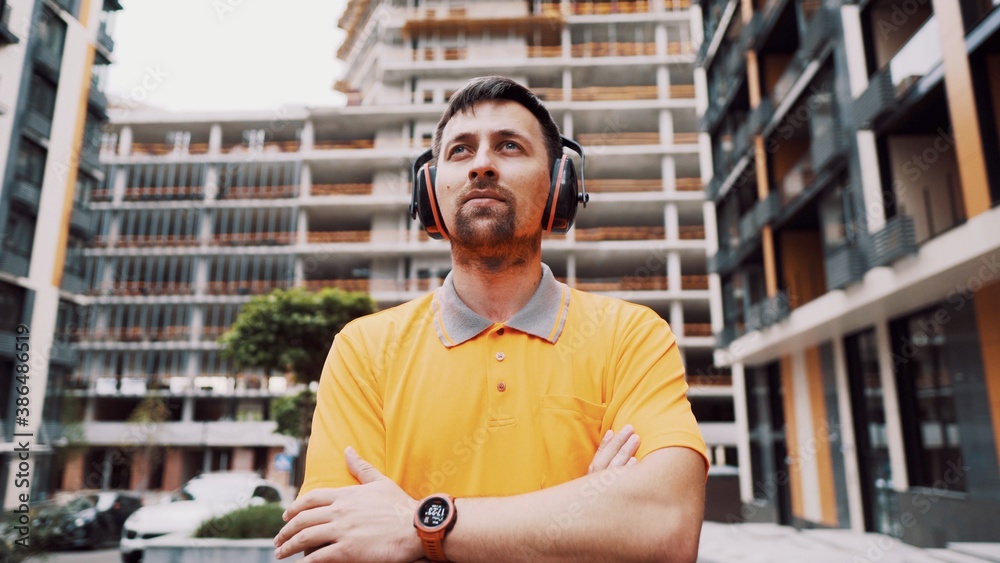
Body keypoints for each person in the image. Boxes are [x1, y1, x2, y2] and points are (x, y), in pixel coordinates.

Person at [274, 75, 708, 562]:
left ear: (558, 186)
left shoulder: (631, 336)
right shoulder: (363, 349)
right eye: (460, 151)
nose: (481, 164)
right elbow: (335, 546)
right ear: (430, 193)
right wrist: (588, 520)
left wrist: (417, 526)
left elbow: (665, 526)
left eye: (509, 146)